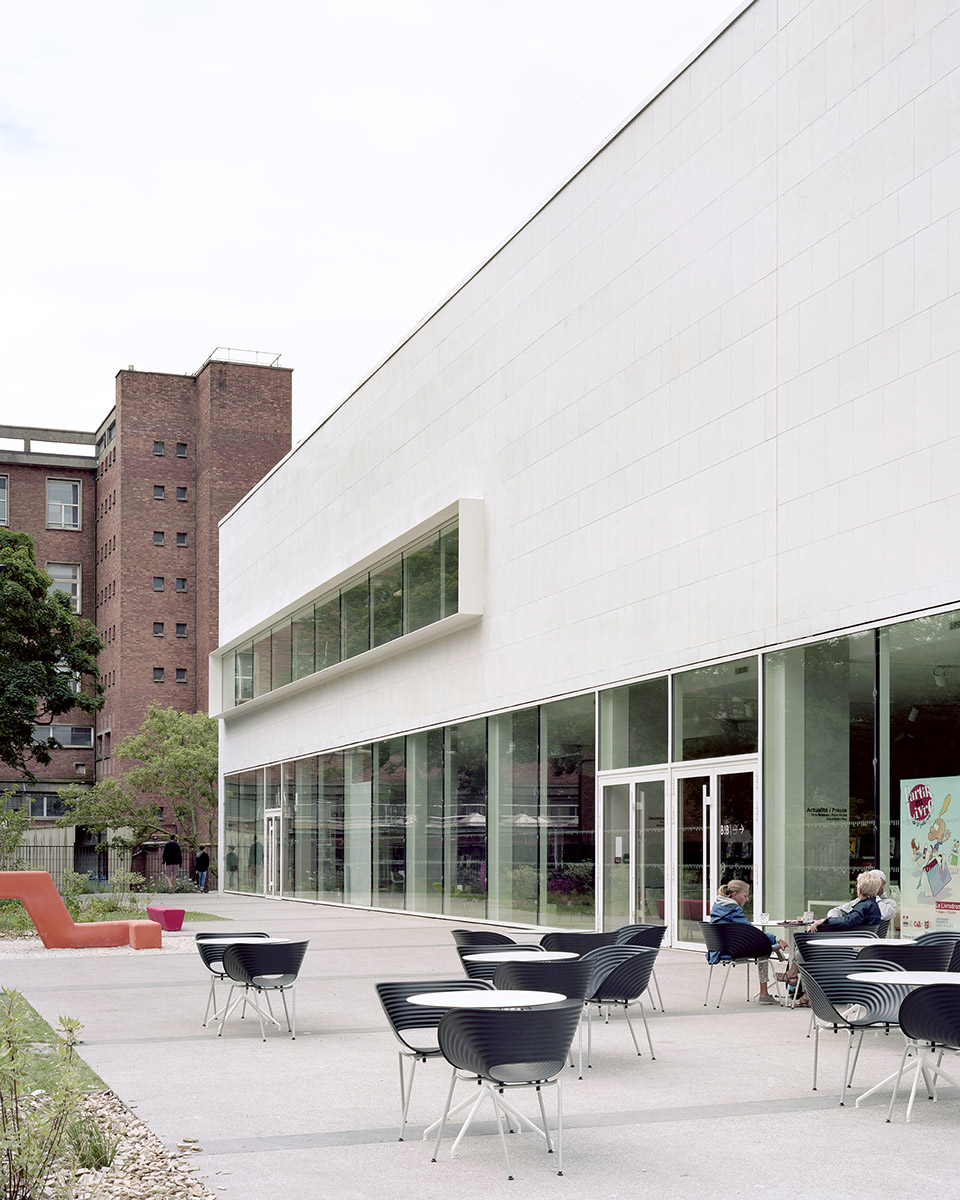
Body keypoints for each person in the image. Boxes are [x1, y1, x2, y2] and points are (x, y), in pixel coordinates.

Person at [707, 879, 786, 1005]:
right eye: (745, 896)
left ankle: (775, 952)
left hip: (718, 950)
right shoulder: (733, 909)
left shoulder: (717, 908)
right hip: (731, 950)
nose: (747, 899)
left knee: (764, 946)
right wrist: (776, 939)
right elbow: (751, 932)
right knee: (764, 951)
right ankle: (764, 993)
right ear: (735, 895)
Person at [807, 870, 882, 933]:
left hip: (846, 941)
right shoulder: (873, 906)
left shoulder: (864, 907)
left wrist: (825, 920)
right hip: (859, 940)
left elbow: (847, 921)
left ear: (859, 890)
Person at [824, 869, 896, 925]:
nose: (871, 884)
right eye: (870, 882)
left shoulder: (889, 903)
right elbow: (836, 911)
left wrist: (873, 895)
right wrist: (835, 921)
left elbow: (884, 914)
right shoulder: (859, 901)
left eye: (876, 883)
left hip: (862, 937)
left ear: (883, 884)